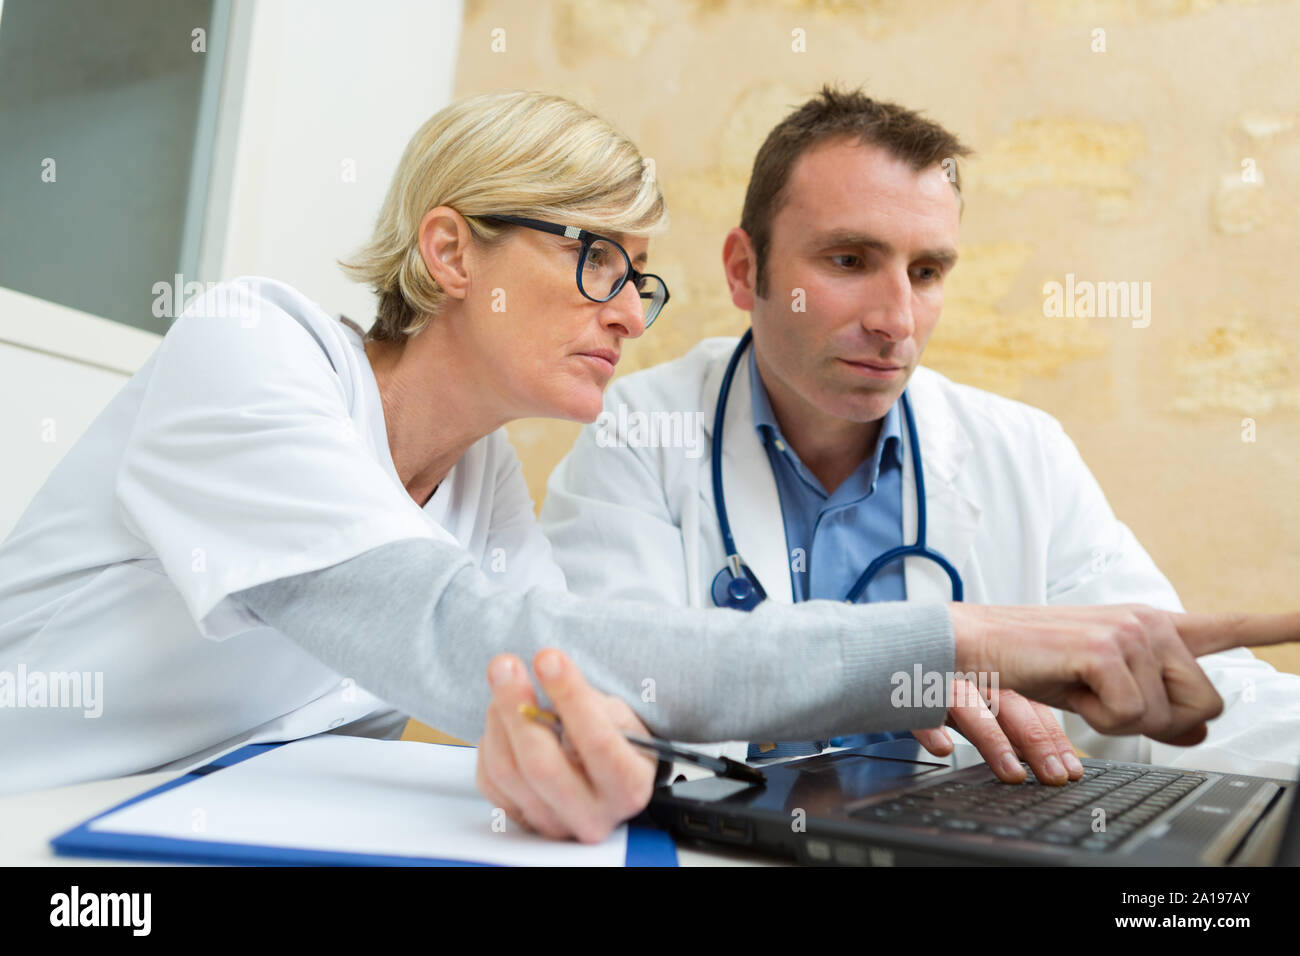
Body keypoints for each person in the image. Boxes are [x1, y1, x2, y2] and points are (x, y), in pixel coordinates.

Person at [0, 92, 1289, 843]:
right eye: (596, 261)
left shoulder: (482, 487)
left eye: (640, 276)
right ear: (451, 252)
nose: (630, 310)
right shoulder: (251, 347)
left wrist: (588, 747)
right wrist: (968, 636)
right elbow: (462, 629)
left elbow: (580, 680)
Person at [490, 85, 1300, 839]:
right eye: (848, 261)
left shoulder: (1022, 454)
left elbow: (1184, 687)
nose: (896, 320)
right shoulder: (643, 431)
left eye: (927, 272)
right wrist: (893, 664)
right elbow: (612, 692)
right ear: (745, 270)